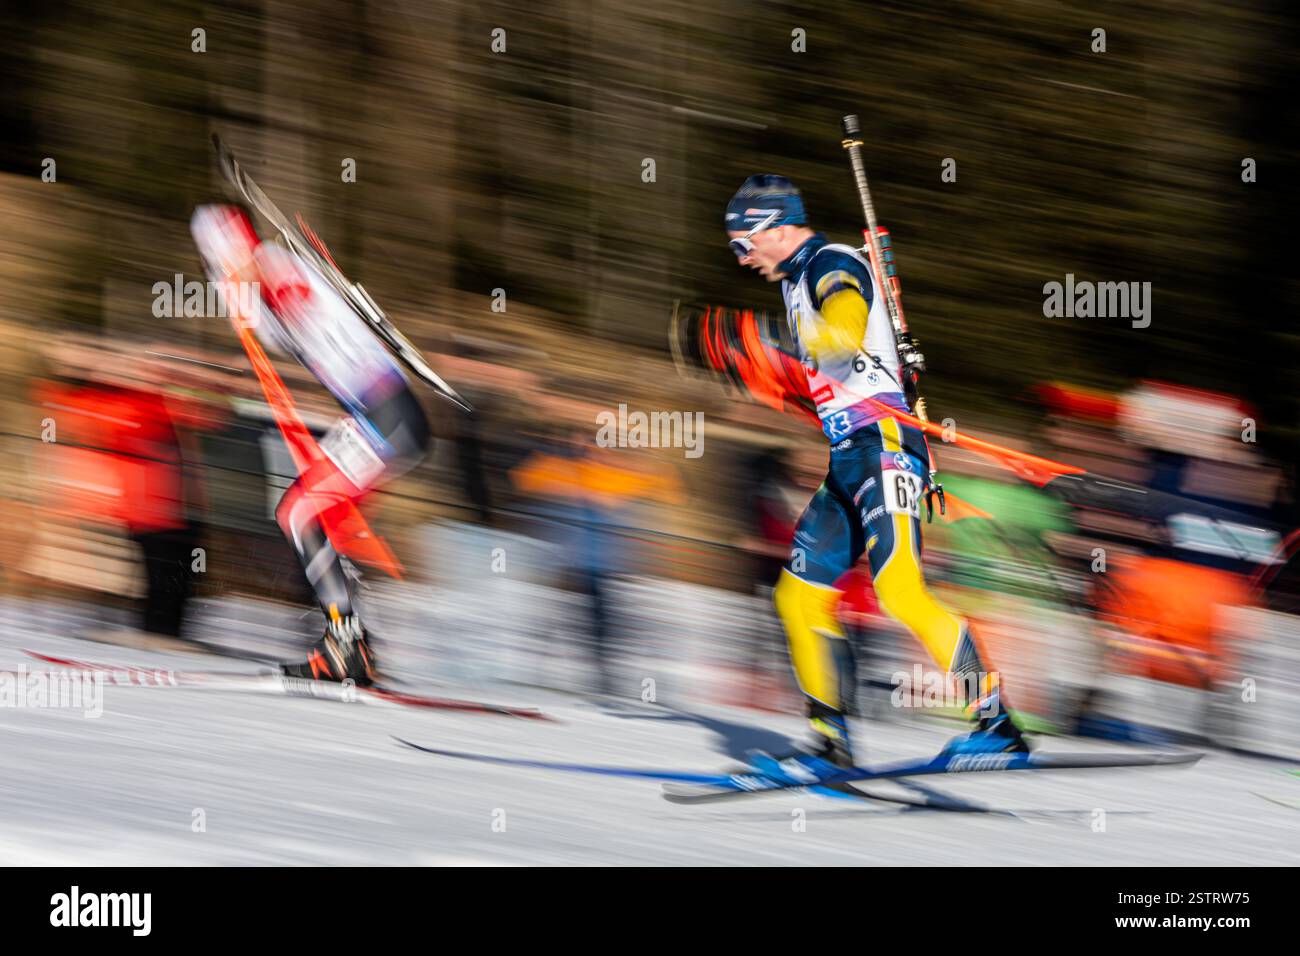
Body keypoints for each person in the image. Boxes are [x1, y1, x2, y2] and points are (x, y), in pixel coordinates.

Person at [724, 174, 1028, 771]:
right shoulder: (795, 278)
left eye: (744, 243)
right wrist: (757, 368)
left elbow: (841, 334)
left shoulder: (832, 263)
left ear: (777, 228)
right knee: (798, 598)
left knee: (900, 588)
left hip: (884, 444)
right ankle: (830, 743)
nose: (742, 258)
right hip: (847, 455)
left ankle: (995, 723)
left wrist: (770, 345)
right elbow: (830, 372)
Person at [191, 205, 431, 685]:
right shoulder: (268, 291)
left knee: (299, 514)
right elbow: (274, 330)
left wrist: (251, 278)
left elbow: (296, 294)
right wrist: (242, 295)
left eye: (224, 263)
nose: (224, 275)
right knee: (323, 524)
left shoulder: (283, 270)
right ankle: (355, 645)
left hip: (388, 417)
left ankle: (345, 644)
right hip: (378, 418)